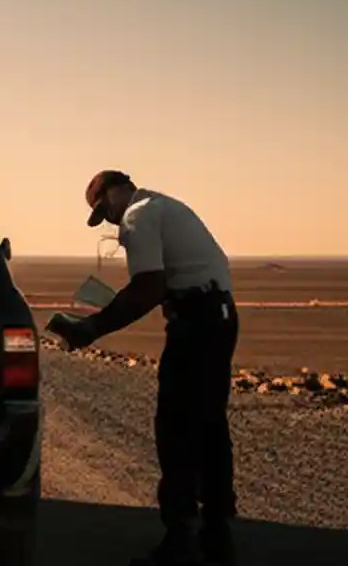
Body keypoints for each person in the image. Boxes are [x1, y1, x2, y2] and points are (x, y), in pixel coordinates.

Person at [50, 170, 239, 566]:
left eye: (105, 212)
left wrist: (92, 327)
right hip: (218, 315)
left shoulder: (138, 216)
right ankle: (218, 532)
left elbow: (146, 288)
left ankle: (180, 537)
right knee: (209, 423)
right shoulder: (166, 206)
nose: (112, 223)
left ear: (111, 195)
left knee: (175, 427)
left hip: (197, 324)